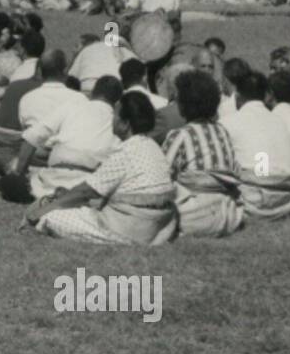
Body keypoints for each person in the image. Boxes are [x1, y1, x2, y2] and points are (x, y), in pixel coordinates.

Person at [27, 92, 178, 245]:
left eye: (115, 115)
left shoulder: (126, 150)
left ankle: (81, 267)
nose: (112, 119)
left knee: (52, 217)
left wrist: (46, 209)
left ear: (125, 124)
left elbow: (86, 191)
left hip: (129, 227)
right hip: (159, 225)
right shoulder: (153, 147)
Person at [163, 70, 243, 237]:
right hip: (227, 214)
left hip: (192, 216)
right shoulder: (222, 132)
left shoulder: (179, 135)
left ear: (183, 104)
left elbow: (162, 177)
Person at [221, 71, 290, 221]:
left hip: (252, 200)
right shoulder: (279, 122)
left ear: (238, 95)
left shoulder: (228, 122)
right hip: (285, 199)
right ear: (266, 95)